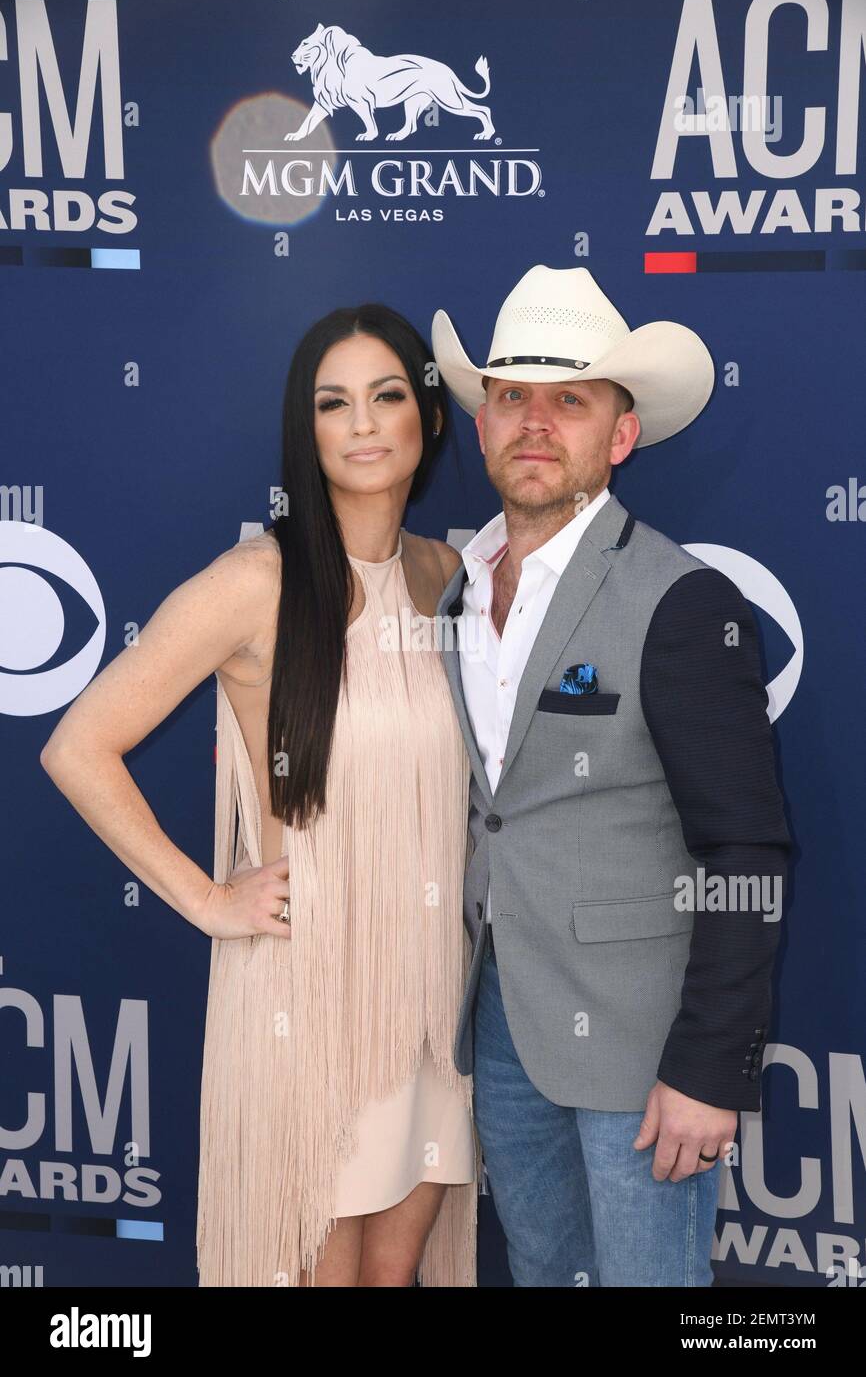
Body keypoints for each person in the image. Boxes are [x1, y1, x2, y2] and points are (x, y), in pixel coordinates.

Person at [40, 303, 481, 1287]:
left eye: (386, 396)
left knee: (390, 1275)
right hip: (308, 993)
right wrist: (207, 898)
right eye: (333, 403)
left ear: (430, 419)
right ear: (304, 428)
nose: (362, 424)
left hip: (430, 996)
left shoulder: (447, 576)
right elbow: (78, 747)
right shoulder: (254, 583)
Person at [430, 263, 792, 1287]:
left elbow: (744, 849)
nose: (533, 422)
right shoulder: (456, 590)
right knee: (543, 1271)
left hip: (642, 1047)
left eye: (569, 400)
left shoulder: (679, 600)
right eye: (510, 397)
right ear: (481, 422)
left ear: (618, 435)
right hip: (501, 1022)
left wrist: (705, 1068)